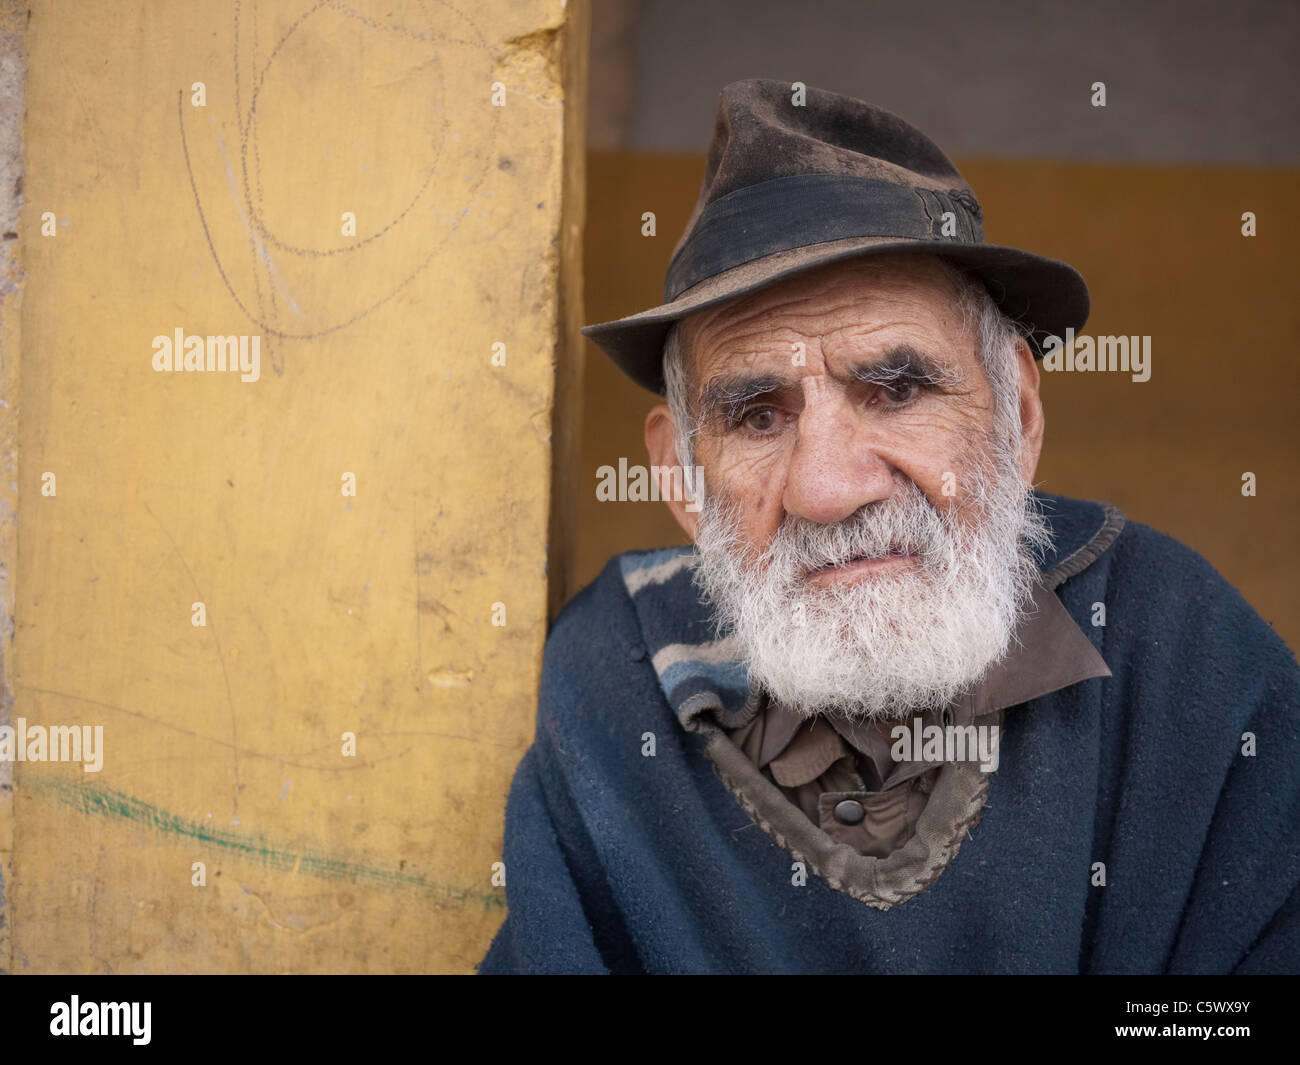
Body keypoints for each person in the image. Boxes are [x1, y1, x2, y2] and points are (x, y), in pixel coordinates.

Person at [477, 79, 1300, 974]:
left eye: (898, 390)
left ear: (1017, 418)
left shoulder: (1184, 652)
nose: (827, 490)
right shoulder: (612, 677)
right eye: (757, 414)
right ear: (680, 473)